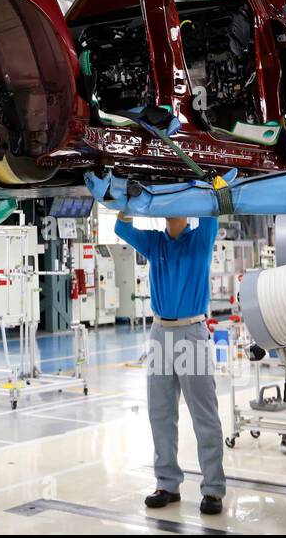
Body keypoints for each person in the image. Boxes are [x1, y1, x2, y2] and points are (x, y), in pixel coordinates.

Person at [86, 171, 227, 516]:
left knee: (203, 414)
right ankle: (167, 483)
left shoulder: (201, 236)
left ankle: (213, 489)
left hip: (193, 333)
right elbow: (121, 229)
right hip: (160, 334)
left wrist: (216, 183)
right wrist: (128, 201)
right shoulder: (155, 243)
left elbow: (218, 206)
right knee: (160, 413)